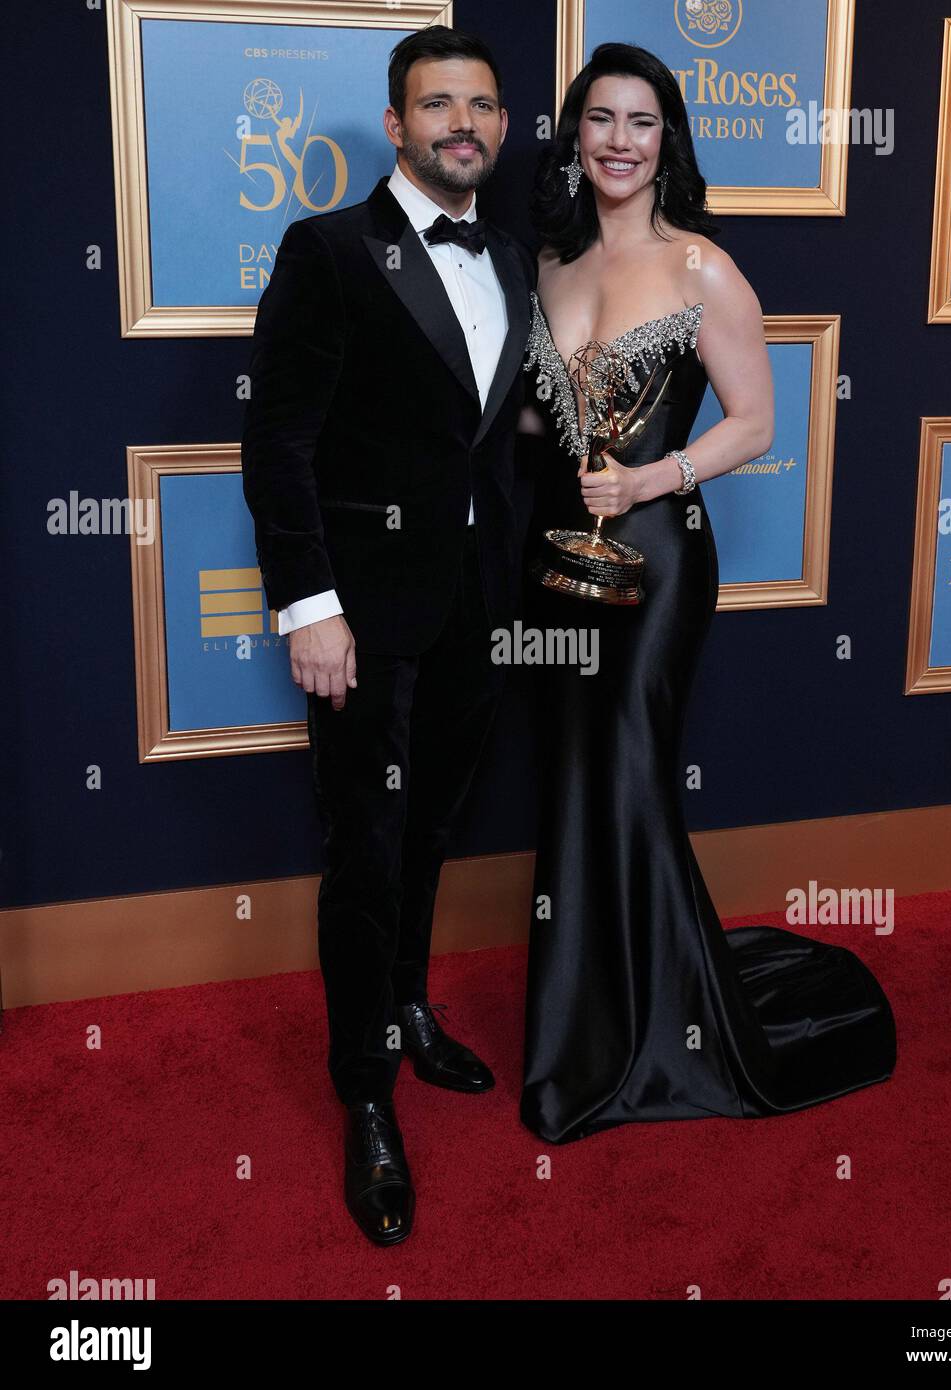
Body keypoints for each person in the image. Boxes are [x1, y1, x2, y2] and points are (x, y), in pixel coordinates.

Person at [519, 44, 896, 1144]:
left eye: (641, 122)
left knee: (630, 774)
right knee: (572, 779)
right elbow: (539, 414)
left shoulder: (702, 269)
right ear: (575, 135)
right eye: (600, 119)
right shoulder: (546, 261)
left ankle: (655, 1042)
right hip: (554, 562)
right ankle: (582, 1023)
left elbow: (756, 422)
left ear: (667, 141)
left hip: (657, 557)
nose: (619, 141)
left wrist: (649, 479)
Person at [241, 26, 534, 1243]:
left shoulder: (510, 255)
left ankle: (410, 1007)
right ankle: (365, 1094)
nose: (462, 123)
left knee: (433, 825)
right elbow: (279, 443)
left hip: (478, 601)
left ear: (502, 125)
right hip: (359, 615)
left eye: (481, 104)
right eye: (437, 104)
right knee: (362, 849)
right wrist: (309, 605)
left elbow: (490, 434)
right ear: (398, 121)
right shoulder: (326, 251)